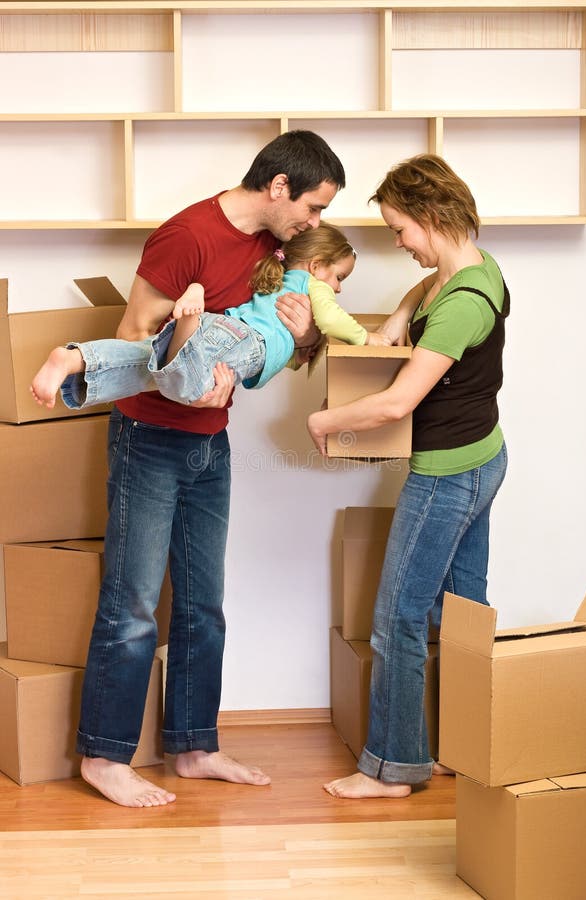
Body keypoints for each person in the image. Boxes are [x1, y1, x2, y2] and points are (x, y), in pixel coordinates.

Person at [51, 130, 346, 809]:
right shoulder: (185, 236)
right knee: (131, 607)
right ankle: (104, 756)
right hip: (150, 438)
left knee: (203, 606)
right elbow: (132, 338)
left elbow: (273, 341)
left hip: (211, 442)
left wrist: (302, 338)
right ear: (279, 187)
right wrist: (189, 375)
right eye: (315, 207)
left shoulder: (277, 249)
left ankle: (193, 746)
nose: (316, 222)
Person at [307, 153, 509, 799]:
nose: (398, 242)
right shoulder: (471, 269)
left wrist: (327, 421)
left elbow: (397, 404)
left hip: (449, 475)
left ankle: (394, 769)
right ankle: (461, 749)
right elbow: (426, 292)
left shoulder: (462, 306)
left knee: (398, 616)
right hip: (485, 459)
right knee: (463, 615)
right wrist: (396, 318)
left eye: (400, 230)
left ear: (430, 216)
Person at [30, 224, 390, 412]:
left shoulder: (275, 279)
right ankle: (189, 318)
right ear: (316, 265)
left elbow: (283, 353)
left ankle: (75, 358)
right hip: (243, 342)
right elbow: (331, 319)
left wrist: (301, 347)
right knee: (186, 387)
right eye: (340, 277)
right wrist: (367, 339)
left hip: (222, 329)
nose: (339, 288)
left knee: (148, 361)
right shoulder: (311, 285)